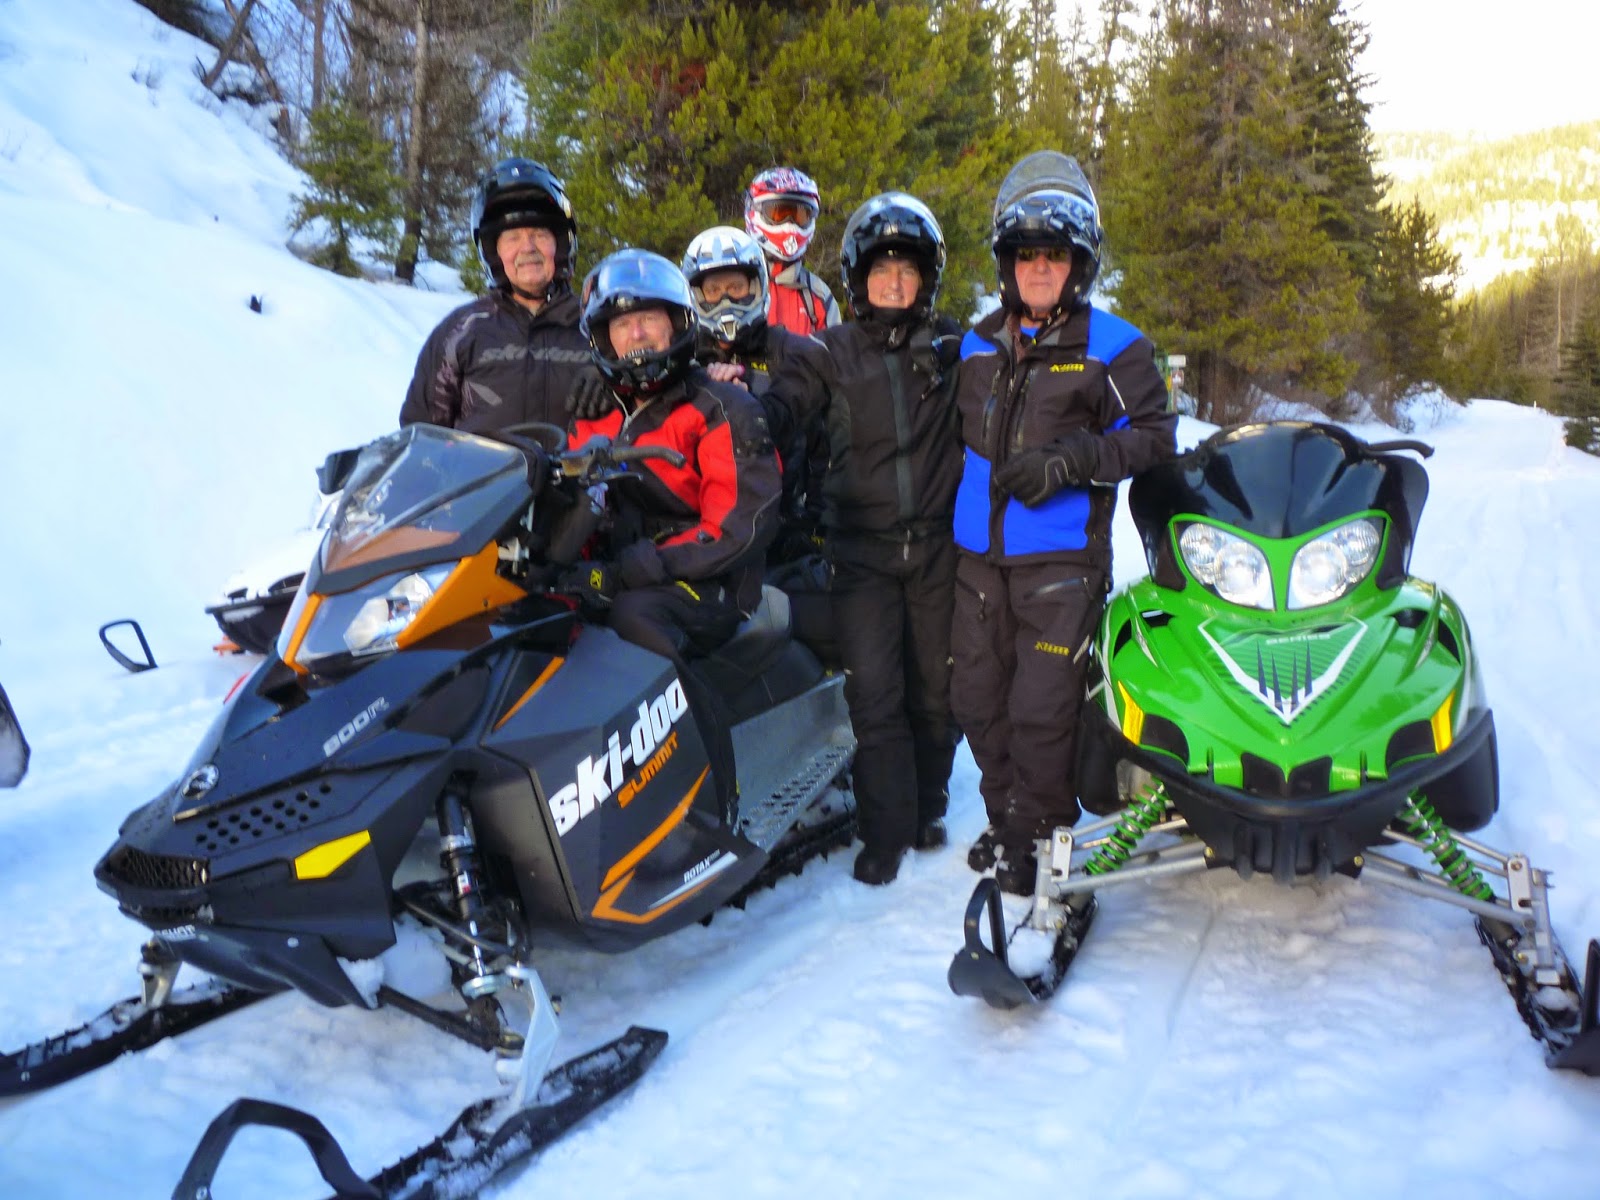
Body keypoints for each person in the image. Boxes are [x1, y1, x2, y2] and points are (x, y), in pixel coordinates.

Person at [951, 151, 1178, 895]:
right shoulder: (977, 345)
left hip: (1060, 562)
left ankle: (1041, 838)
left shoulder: (1113, 346)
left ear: (1077, 264)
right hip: (978, 561)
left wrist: (1072, 458)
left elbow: (1155, 437)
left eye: (1054, 255)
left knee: (1040, 711)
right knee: (979, 703)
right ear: (1006, 264)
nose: (1039, 267)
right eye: (1026, 255)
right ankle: (1006, 818)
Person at [768, 192, 962, 886]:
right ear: (857, 277)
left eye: (907, 270)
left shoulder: (950, 347)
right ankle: (885, 833)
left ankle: (929, 805)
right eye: (882, 271)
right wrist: (747, 416)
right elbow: (782, 402)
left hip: (938, 546)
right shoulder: (828, 352)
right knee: (876, 695)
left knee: (936, 691)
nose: (895, 282)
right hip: (861, 552)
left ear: (926, 277)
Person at [560, 248, 782, 819]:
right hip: (621, 570)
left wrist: (640, 567)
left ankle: (711, 792)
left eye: (649, 321)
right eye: (622, 324)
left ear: (678, 325)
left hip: (711, 580)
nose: (637, 335)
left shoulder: (720, 406)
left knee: (635, 621)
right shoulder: (592, 412)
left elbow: (738, 524)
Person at [680, 225, 837, 660]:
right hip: (699, 539)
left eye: (737, 287)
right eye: (713, 290)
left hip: (786, 537)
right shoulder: (681, 356)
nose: (726, 300)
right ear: (695, 294)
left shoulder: (794, 351)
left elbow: (801, 422)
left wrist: (746, 388)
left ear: (759, 286)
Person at [400, 157, 590, 432]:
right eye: (512, 238)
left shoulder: (594, 328)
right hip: (482, 475)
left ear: (560, 244)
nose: (528, 248)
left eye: (539, 234)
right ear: (493, 252)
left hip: (579, 474)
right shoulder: (461, 331)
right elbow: (420, 433)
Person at [744, 167, 841, 336]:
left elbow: (835, 359)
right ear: (754, 211)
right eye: (778, 213)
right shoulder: (734, 285)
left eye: (799, 216)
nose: (790, 224)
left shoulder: (818, 295)